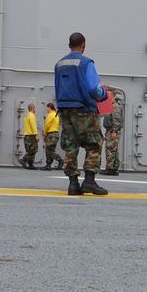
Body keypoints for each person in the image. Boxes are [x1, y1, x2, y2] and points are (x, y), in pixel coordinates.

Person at [54, 33, 110, 196]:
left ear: (69, 44)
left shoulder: (59, 64)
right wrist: (103, 94)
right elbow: (93, 89)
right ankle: (89, 181)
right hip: (83, 109)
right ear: (84, 45)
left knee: (71, 145)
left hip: (65, 109)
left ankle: (73, 184)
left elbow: (57, 87)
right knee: (94, 143)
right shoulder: (86, 63)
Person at [101, 93, 123, 175]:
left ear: (113, 96)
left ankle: (109, 168)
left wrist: (114, 131)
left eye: (108, 95)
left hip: (112, 130)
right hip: (110, 130)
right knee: (114, 150)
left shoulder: (115, 106)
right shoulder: (110, 105)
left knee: (110, 149)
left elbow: (117, 119)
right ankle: (114, 168)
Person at [41, 103, 63, 170]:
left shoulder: (50, 115)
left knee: (49, 150)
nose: (46, 109)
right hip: (56, 134)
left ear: (49, 108)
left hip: (51, 134)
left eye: (47, 108)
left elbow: (47, 125)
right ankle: (48, 164)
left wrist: (44, 133)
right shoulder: (56, 115)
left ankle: (60, 160)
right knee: (51, 149)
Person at [19, 103, 39, 170]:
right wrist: (36, 134)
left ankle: (30, 164)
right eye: (35, 108)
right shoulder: (32, 116)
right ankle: (24, 160)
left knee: (29, 150)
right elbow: (33, 126)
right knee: (34, 149)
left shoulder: (26, 116)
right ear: (33, 108)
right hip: (31, 136)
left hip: (26, 136)